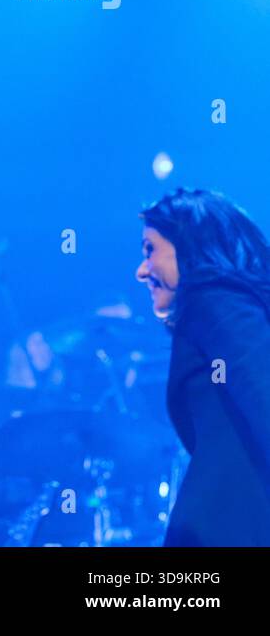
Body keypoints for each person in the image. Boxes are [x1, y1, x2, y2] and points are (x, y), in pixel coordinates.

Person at [136, 187, 270, 545]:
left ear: (190, 246)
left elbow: (261, 389)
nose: (141, 270)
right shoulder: (221, 304)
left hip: (226, 527)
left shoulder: (214, 299)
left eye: (150, 250)